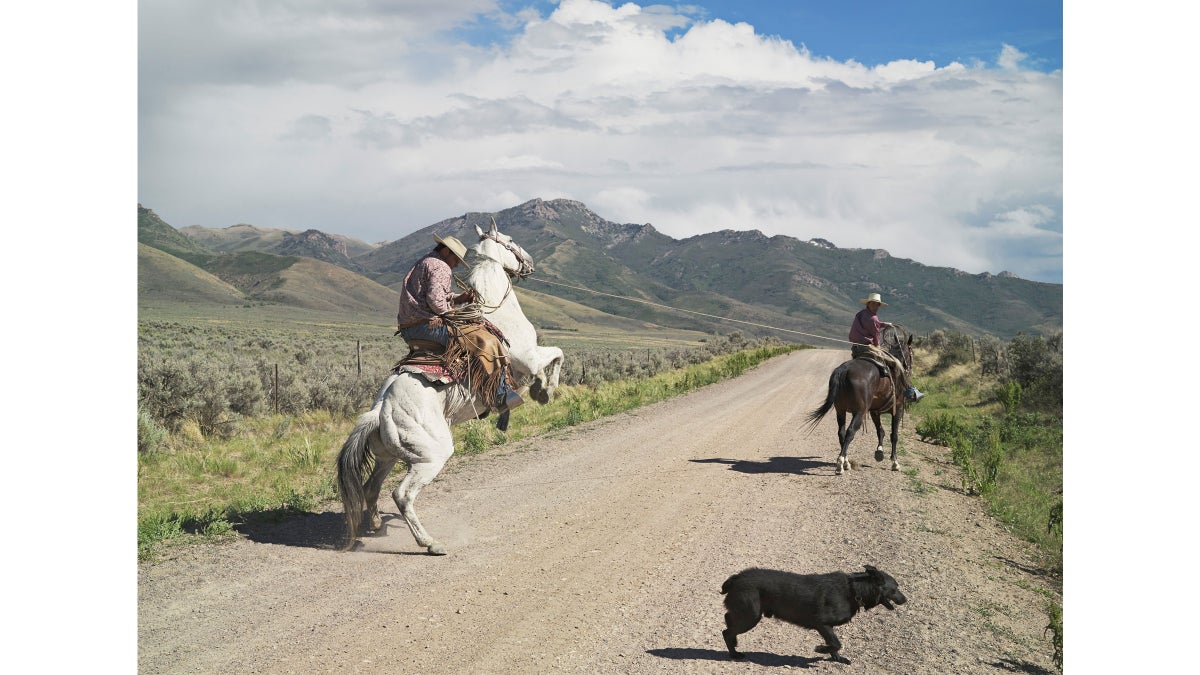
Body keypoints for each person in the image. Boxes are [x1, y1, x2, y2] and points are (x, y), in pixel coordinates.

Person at [396, 234, 477, 348]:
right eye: (456, 259)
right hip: (427, 328)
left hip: (408, 329)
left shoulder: (425, 261)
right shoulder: (441, 266)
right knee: (476, 340)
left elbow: (434, 295)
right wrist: (456, 313)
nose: (457, 265)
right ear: (446, 251)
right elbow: (436, 303)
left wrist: (459, 298)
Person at [849, 292, 925, 402]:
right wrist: (878, 346)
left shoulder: (861, 314)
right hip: (868, 348)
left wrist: (884, 324)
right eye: (874, 304)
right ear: (869, 304)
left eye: (877, 304)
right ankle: (909, 392)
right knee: (897, 363)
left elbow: (872, 324)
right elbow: (875, 335)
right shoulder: (873, 318)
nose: (876, 306)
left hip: (856, 348)